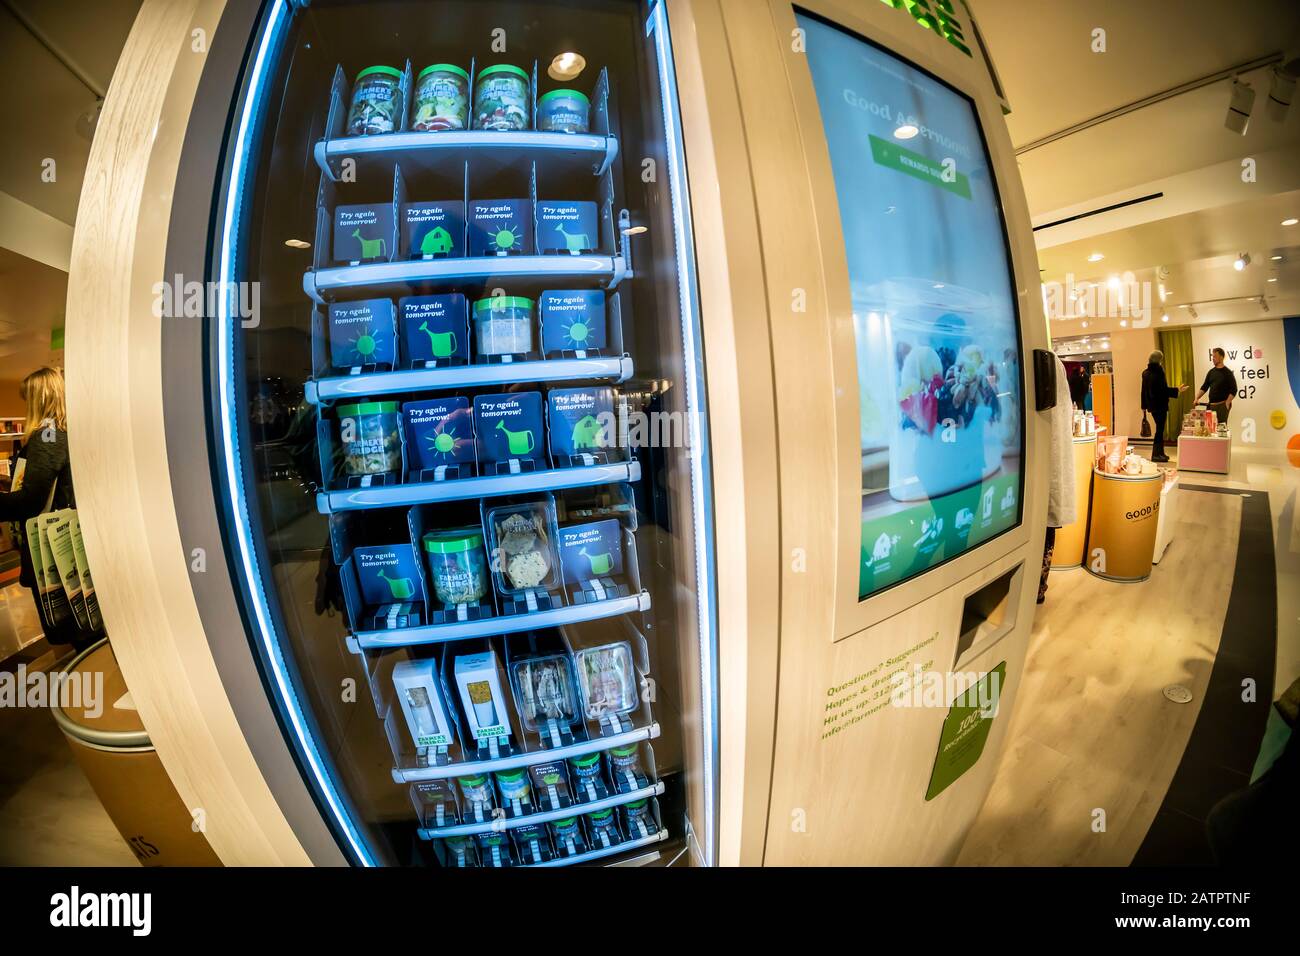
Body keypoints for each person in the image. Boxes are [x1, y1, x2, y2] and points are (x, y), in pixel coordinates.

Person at [0, 367, 81, 647]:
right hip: (66, 542)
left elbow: (30, 502)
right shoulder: (67, 433)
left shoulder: (48, 436)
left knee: (64, 627)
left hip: (49, 548)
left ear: (39, 399)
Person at [1040, 351, 1076, 604]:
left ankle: (1035, 586)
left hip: (1042, 461)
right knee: (1047, 526)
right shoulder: (1056, 364)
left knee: (1041, 525)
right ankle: (1039, 586)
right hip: (1051, 461)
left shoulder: (1044, 362)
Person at [1140, 350, 1188, 463]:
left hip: (1152, 406)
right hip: (1160, 405)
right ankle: (1156, 455)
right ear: (1159, 360)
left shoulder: (1145, 373)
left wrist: (1143, 405)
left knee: (1159, 430)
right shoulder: (1159, 372)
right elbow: (1162, 390)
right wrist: (1178, 390)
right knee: (1159, 430)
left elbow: (1143, 391)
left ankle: (1160, 453)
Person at [1195, 347, 1238, 425]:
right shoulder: (1211, 372)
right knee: (1210, 428)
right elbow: (1204, 387)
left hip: (1222, 406)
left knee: (1221, 429)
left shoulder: (1228, 373)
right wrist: (1197, 398)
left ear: (1221, 357)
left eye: (1215, 356)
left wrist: (1227, 403)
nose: (1213, 358)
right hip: (1211, 406)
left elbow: (1234, 389)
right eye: (1212, 356)